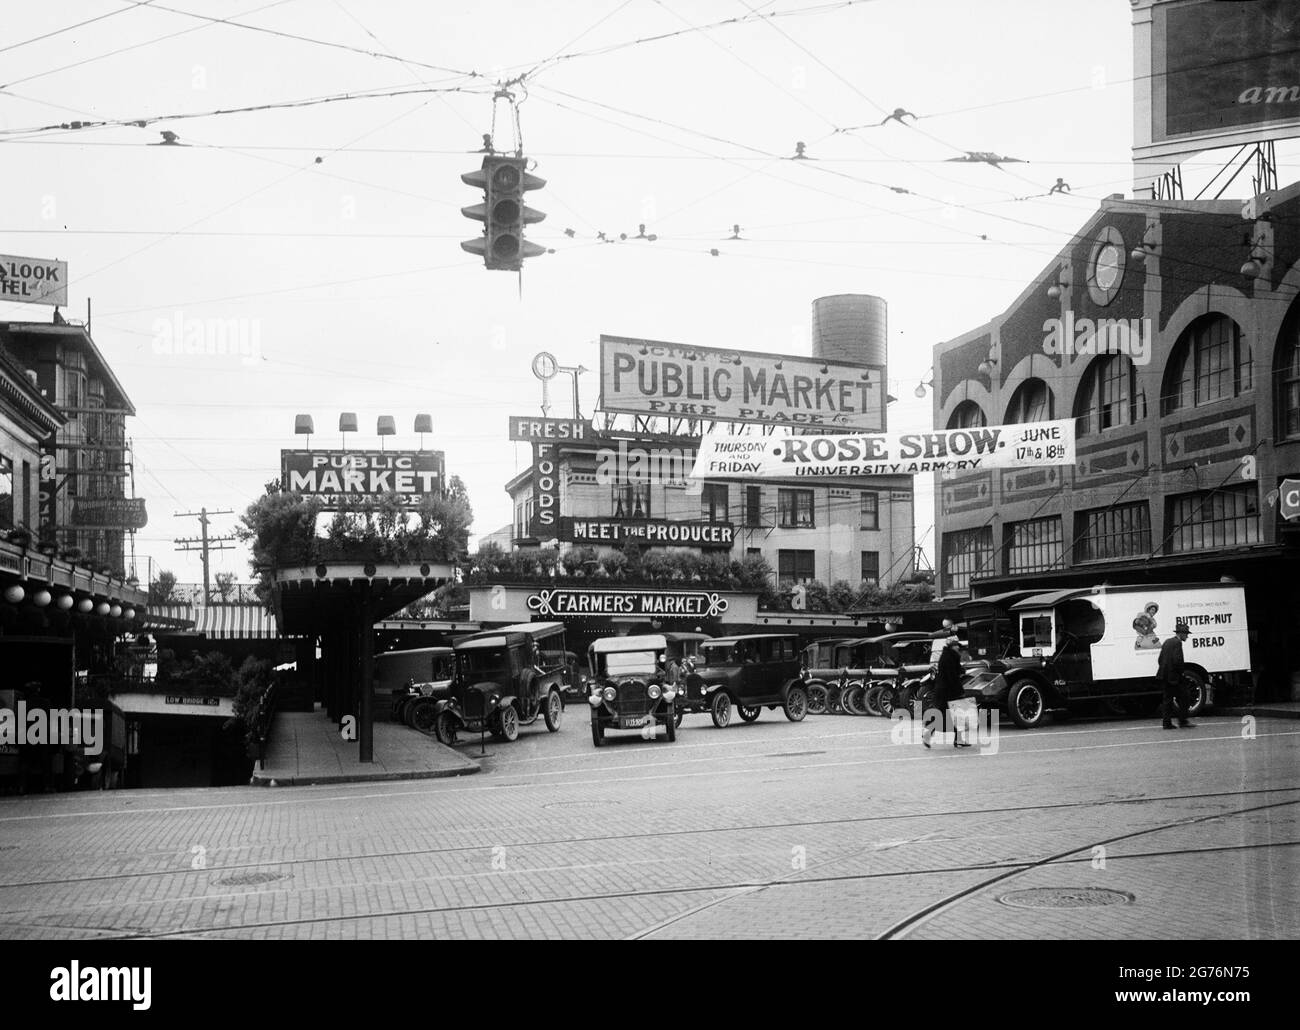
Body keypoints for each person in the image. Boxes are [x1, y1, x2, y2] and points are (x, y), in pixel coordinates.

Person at [925, 634, 968, 748]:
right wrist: (960, 691)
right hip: (948, 692)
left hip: (944, 691)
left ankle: (929, 734)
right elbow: (952, 676)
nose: (958, 647)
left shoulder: (948, 656)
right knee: (955, 715)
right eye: (956, 645)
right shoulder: (950, 657)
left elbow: (954, 670)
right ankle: (929, 734)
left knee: (946, 714)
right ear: (951, 646)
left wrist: (961, 669)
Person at [1158, 620, 1194, 729]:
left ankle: (1166, 722)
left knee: (1167, 700)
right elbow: (1177, 660)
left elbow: (1160, 659)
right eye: (1186, 634)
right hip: (1174, 677)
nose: (1187, 637)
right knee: (1184, 698)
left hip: (1164, 675)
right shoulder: (1178, 643)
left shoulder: (1167, 642)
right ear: (1181, 634)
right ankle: (1183, 720)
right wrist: (1181, 673)